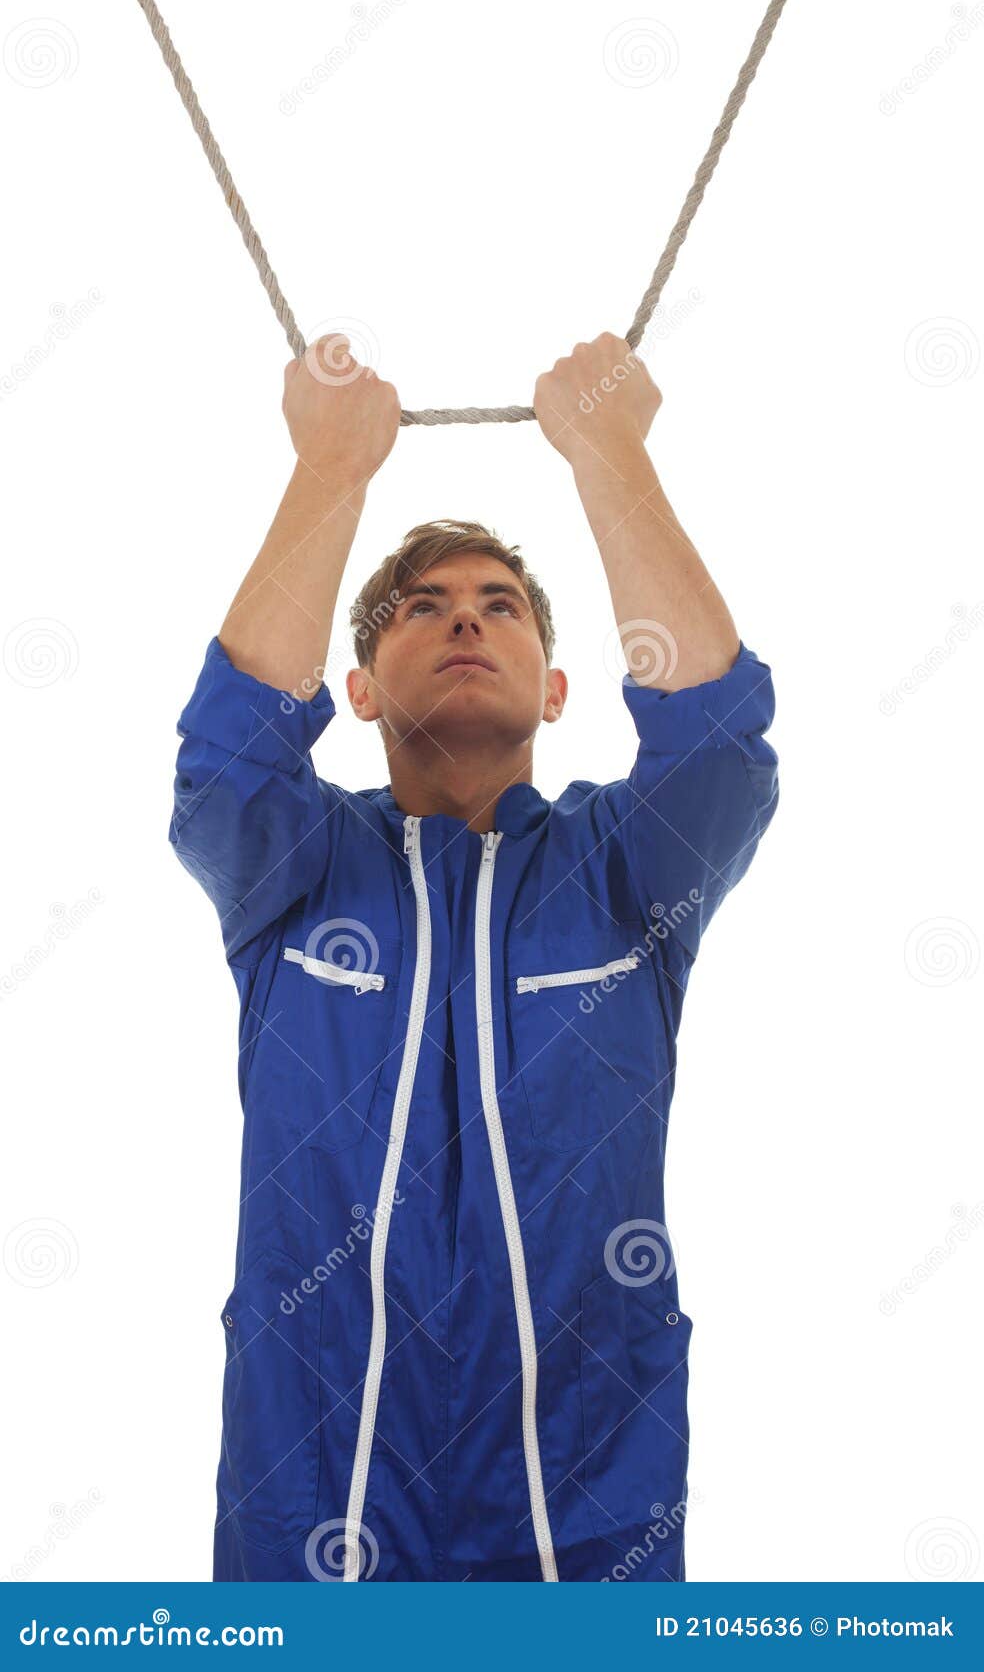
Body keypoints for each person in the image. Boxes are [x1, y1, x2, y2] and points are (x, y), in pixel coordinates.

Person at [169, 330, 779, 1582]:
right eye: (424, 610)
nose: (464, 621)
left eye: (499, 606)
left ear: (557, 688)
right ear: (355, 685)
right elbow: (226, 761)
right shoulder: (296, 873)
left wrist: (606, 451)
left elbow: (716, 742)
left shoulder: (628, 874)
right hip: (313, 1507)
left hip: (585, 1520)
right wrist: (331, 470)